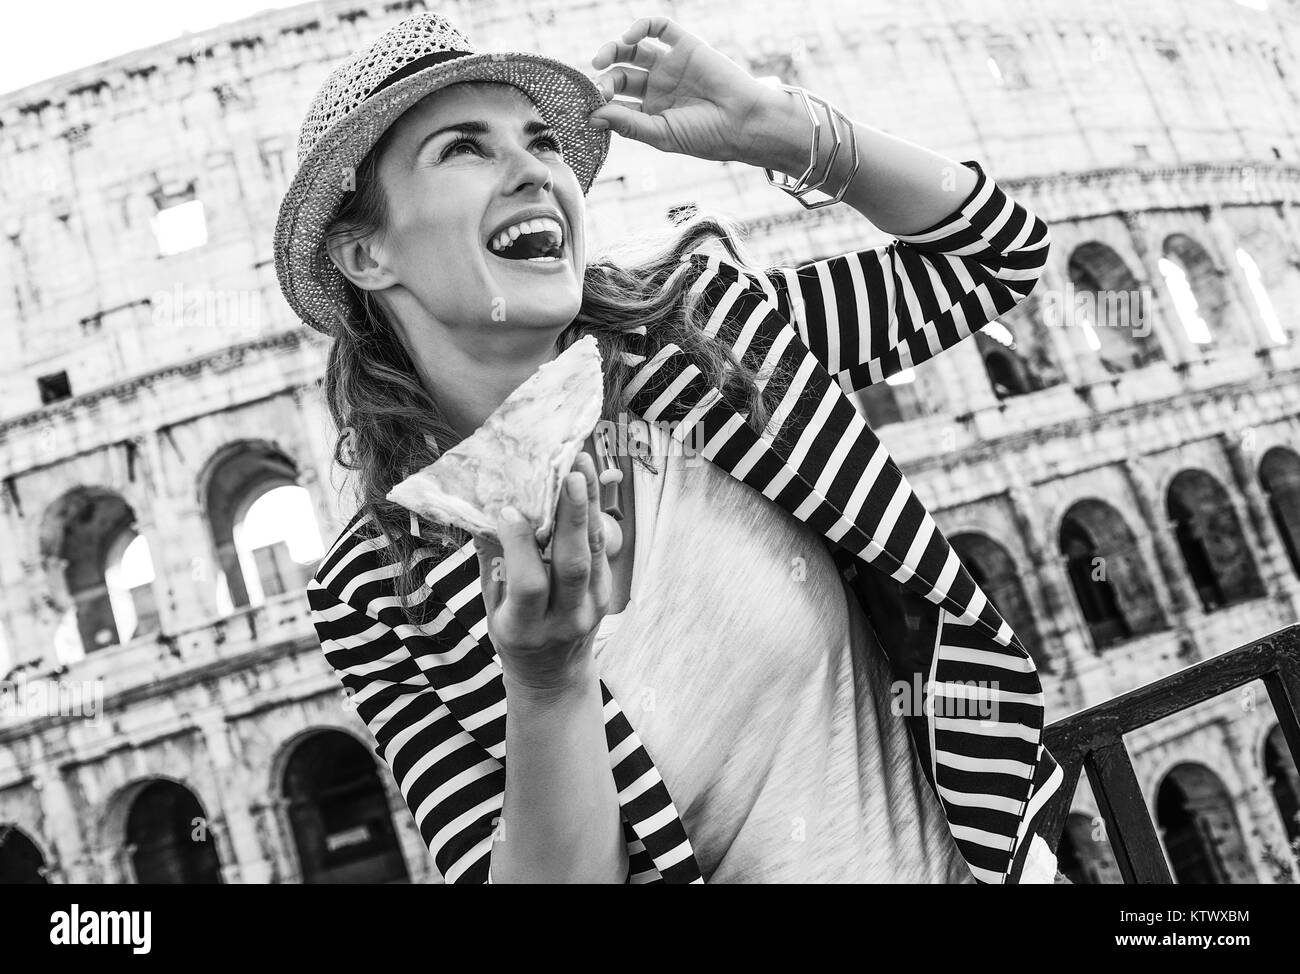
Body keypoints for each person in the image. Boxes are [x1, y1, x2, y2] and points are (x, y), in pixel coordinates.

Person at [276, 11, 1066, 883]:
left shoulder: (706, 335)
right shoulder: (376, 589)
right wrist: (548, 683)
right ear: (365, 252)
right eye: (465, 148)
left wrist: (777, 128)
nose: (535, 170)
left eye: (541, 141)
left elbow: (997, 257)